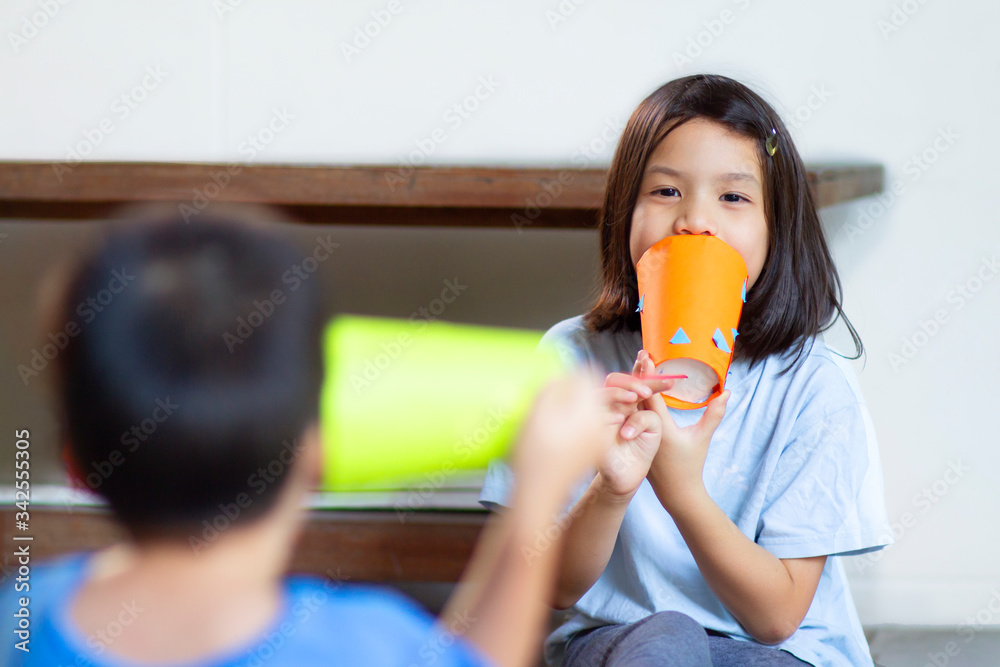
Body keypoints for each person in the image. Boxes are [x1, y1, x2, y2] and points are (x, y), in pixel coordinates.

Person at [1, 208, 628, 667]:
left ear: (76, 463)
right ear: (318, 445)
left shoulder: (18, 620)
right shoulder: (364, 646)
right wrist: (536, 500)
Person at [479, 74, 893, 667]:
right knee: (663, 640)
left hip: (780, 654)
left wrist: (680, 489)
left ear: (776, 232)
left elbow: (775, 618)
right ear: (624, 215)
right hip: (621, 643)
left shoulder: (812, 387)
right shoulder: (571, 360)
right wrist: (612, 488)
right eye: (667, 192)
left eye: (733, 197)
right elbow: (554, 587)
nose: (696, 221)